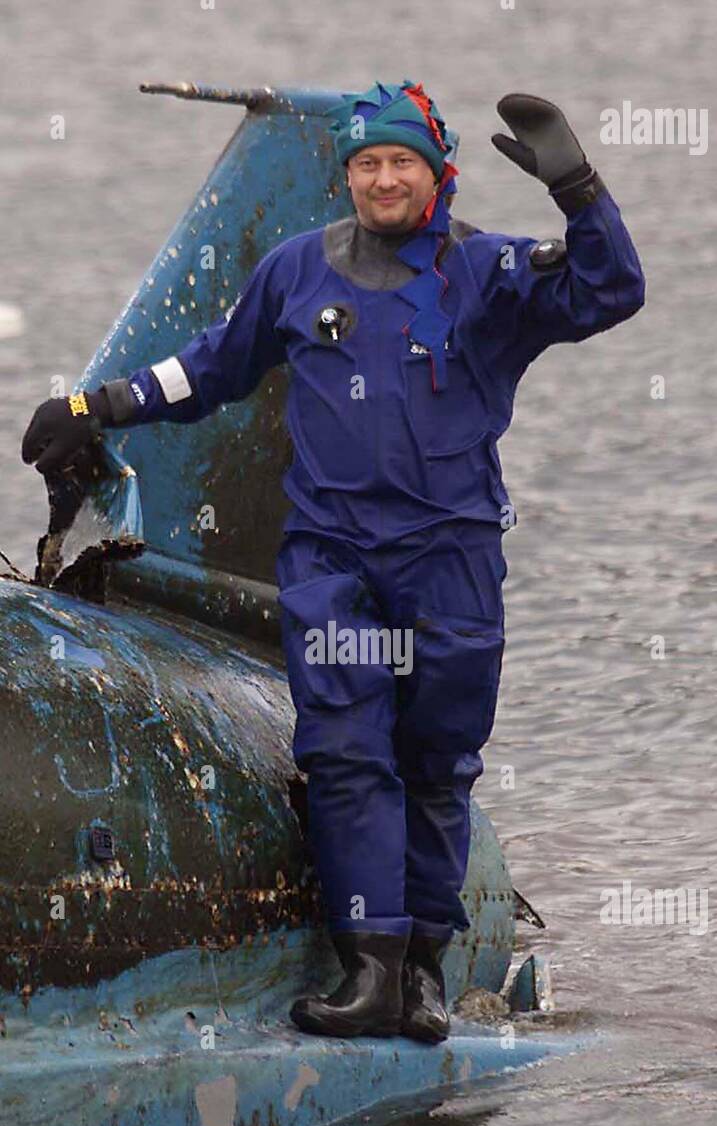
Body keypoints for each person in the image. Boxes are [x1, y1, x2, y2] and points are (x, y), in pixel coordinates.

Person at [21, 83, 645, 1045]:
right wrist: (94, 406)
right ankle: (371, 971)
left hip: (450, 559)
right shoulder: (295, 271)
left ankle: (427, 973)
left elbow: (611, 290)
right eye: (366, 164)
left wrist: (577, 188)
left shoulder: (486, 271)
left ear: (437, 173)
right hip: (332, 558)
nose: (383, 179)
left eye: (402, 162)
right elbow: (210, 367)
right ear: (347, 176)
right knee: (345, 754)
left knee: (436, 764)